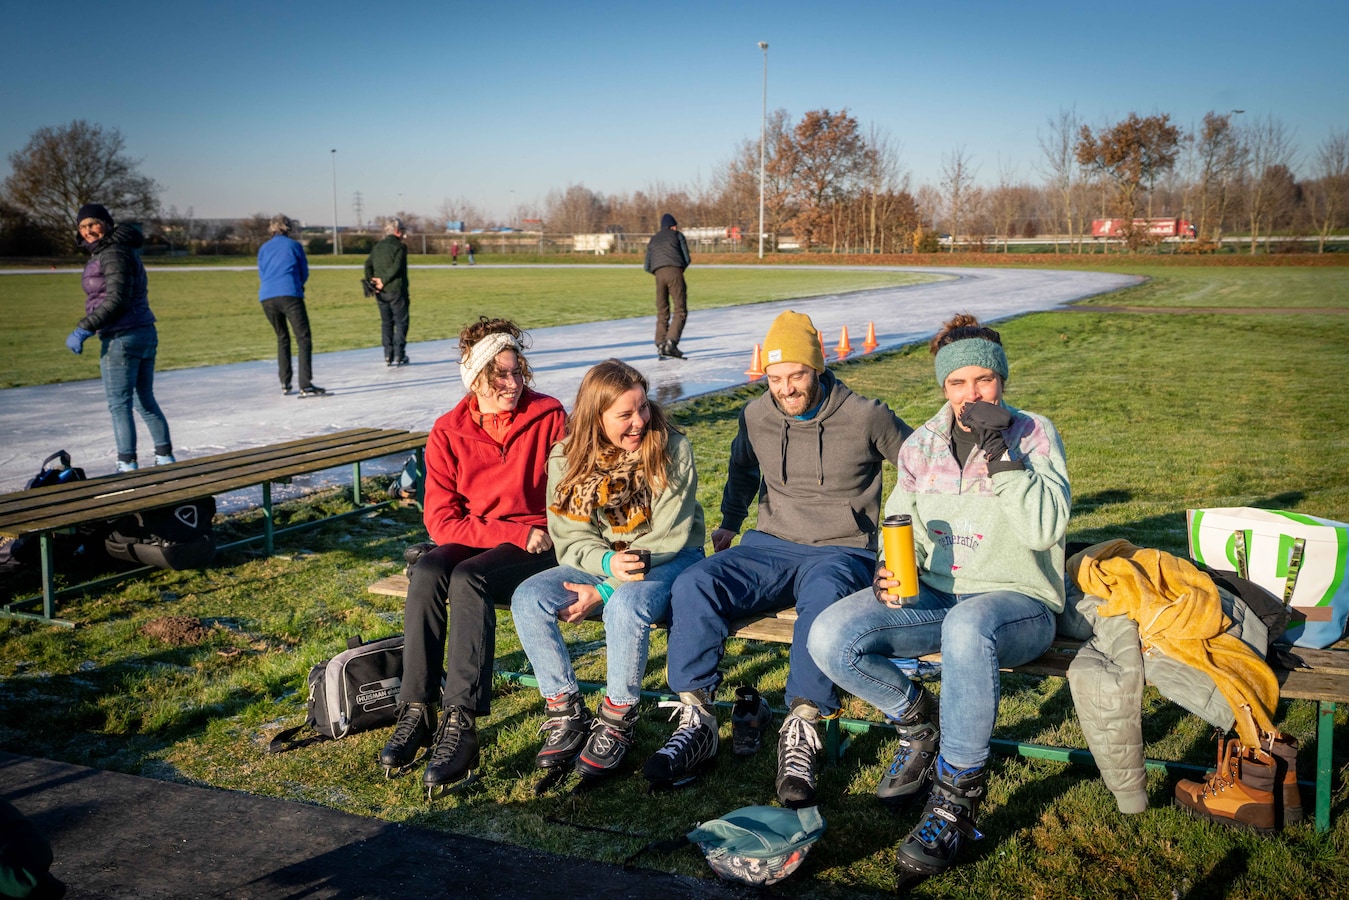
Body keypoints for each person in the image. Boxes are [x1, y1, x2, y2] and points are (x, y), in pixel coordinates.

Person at [807, 313, 1070, 879]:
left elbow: (1044, 529)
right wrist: (888, 568)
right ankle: (917, 721)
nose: (970, 395)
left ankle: (955, 796)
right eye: (957, 383)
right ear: (943, 386)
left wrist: (1001, 451)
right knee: (830, 635)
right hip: (941, 596)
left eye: (983, 382)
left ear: (1002, 381)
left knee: (967, 626)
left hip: (1019, 603)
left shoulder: (1033, 434)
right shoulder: (922, 444)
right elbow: (904, 523)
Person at [642, 310, 910, 808]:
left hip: (841, 549)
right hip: (769, 543)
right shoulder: (756, 415)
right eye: (775, 377)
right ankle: (696, 718)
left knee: (824, 598)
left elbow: (922, 467)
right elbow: (743, 470)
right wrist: (728, 520)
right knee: (694, 584)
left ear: (819, 367)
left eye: (797, 375)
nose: (786, 388)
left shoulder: (867, 414)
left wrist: (906, 541)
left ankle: (802, 729)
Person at [379, 317, 566, 795]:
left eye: (516, 371)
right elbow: (441, 521)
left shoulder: (548, 415)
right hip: (496, 536)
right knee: (428, 567)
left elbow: (567, 492)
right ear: (475, 379)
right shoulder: (448, 430)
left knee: (469, 578)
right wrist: (509, 531)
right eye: (499, 375)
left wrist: (531, 533)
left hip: (542, 544)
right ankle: (417, 709)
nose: (511, 383)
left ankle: (461, 723)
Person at [512, 359, 705, 783]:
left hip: (671, 559)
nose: (639, 422)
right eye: (625, 414)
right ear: (595, 417)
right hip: (603, 561)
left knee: (626, 605)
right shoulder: (567, 458)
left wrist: (606, 589)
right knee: (528, 597)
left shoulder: (672, 447)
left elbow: (669, 537)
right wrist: (603, 565)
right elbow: (568, 536)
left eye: (642, 408)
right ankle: (564, 711)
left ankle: (618, 720)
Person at [65, 203, 174, 473]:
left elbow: (117, 299)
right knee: (143, 400)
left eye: (93, 224)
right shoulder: (118, 249)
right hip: (143, 331)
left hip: (122, 338)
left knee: (119, 403)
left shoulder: (112, 253)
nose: (88, 231)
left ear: (106, 224)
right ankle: (164, 457)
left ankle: (126, 463)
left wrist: (84, 328)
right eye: (83, 226)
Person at [257, 214, 324, 397]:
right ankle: (305, 383)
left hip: (267, 297)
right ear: (288, 228)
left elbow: (262, 273)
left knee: (282, 337)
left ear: (272, 228)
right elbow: (304, 272)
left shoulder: (264, 248)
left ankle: (285, 382)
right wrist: (297, 285)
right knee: (303, 338)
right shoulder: (294, 246)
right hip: (290, 294)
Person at [643, 213, 691, 360]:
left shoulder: (653, 239)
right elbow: (686, 258)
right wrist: (679, 268)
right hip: (675, 272)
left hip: (658, 275)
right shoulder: (677, 235)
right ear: (673, 226)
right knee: (680, 309)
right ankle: (671, 343)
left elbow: (646, 265)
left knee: (662, 311)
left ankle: (660, 343)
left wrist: (659, 272)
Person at [365, 217, 411, 366]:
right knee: (401, 322)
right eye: (402, 230)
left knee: (386, 322)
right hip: (396, 289)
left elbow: (368, 265)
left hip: (380, 292)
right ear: (397, 231)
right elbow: (396, 267)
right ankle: (399, 354)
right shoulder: (400, 247)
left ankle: (388, 354)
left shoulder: (378, 246)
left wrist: (373, 281)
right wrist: (384, 280)